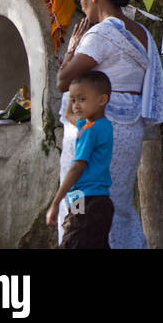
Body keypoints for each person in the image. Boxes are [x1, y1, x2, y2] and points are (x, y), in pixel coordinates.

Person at [57, 0, 163, 248]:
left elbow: (63, 80)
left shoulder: (102, 34)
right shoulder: (142, 32)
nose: (83, 10)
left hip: (96, 130)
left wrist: (72, 47)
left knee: (81, 204)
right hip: (128, 131)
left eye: (82, 1)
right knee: (117, 207)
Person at [46, 71, 115, 249]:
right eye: (74, 99)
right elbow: (70, 115)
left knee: (72, 242)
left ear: (102, 100)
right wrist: (71, 91)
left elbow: (77, 167)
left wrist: (55, 202)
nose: (76, 105)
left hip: (86, 201)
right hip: (99, 201)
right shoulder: (103, 125)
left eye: (82, 99)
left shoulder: (90, 130)